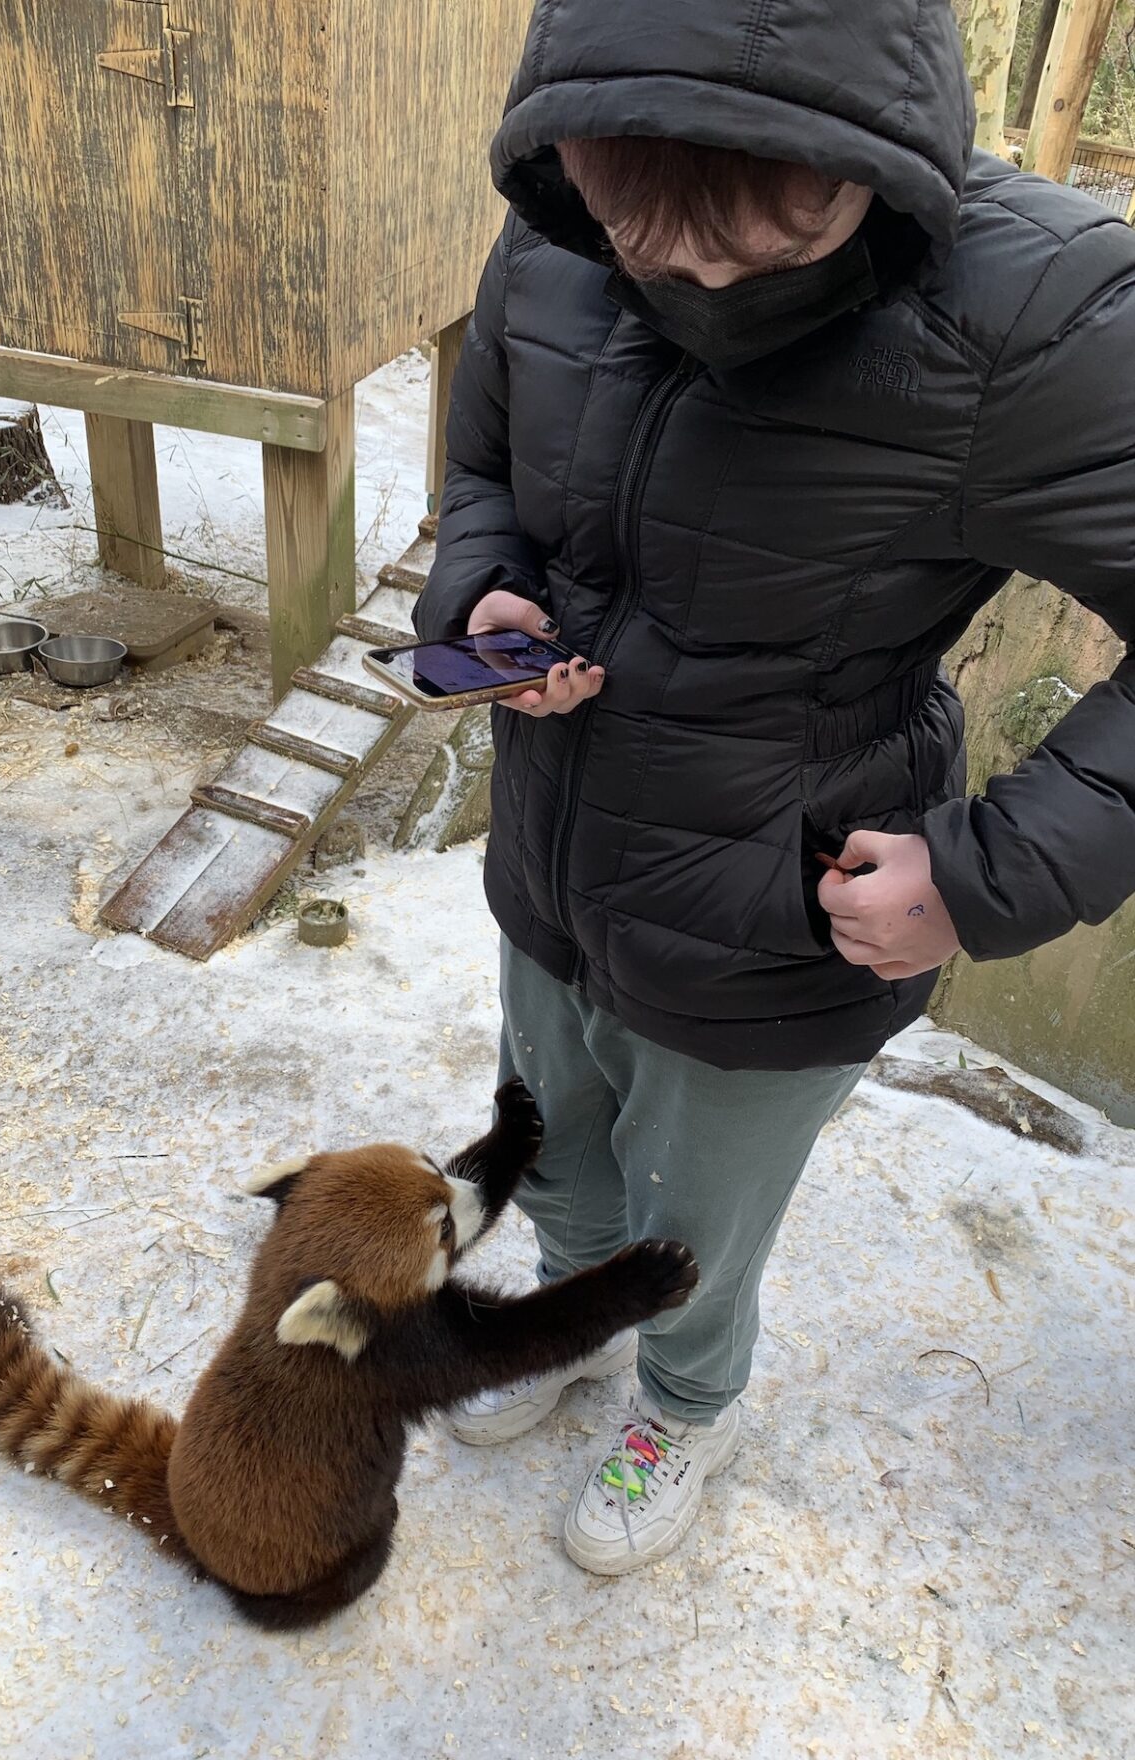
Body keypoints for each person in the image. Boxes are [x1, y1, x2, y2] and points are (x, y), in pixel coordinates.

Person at [413, 0, 1135, 1577]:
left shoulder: (1040, 311)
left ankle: (687, 1400)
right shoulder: (552, 230)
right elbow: (480, 474)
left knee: (697, 1213)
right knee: (554, 1136)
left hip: (777, 918)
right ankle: (575, 1319)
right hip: (554, 860)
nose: (700, 289)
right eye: (642, 243)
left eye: (769, 246)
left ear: (876, 156)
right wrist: (486, 603)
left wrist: (988, 872)